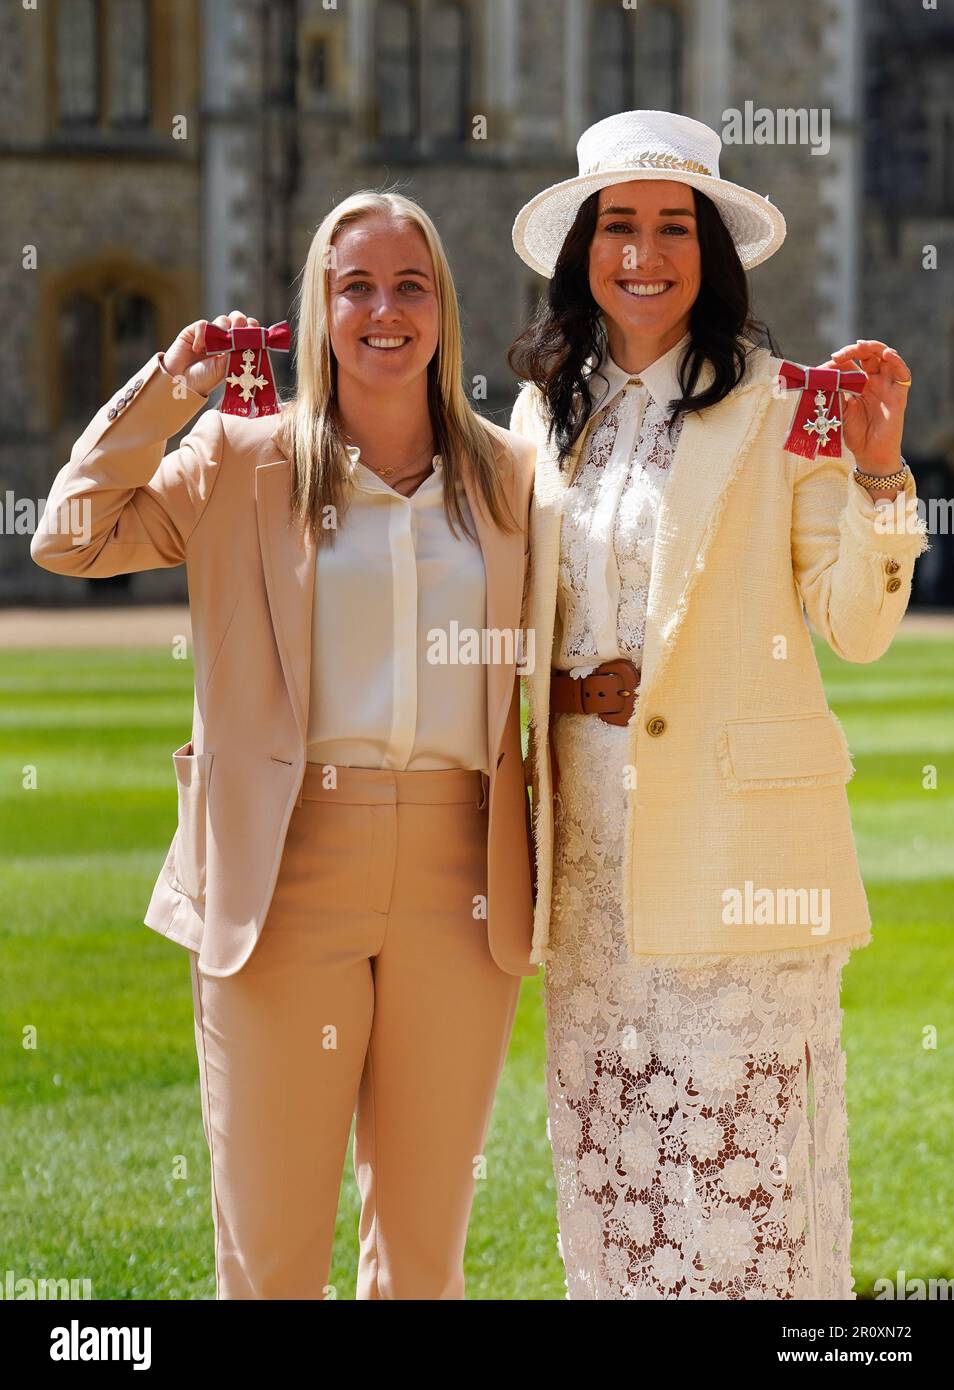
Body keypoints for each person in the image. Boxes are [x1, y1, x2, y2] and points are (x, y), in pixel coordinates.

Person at [31, 190, 538, 1300]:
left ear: (443, 310)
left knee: (421, 1261)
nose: (383, 310)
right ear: (317, 308)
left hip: (463, 877)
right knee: (271, 1258)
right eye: (354, 284)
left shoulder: (508, 477)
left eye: (410, 285)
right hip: (282, 868)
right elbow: (67, 534)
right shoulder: (236, 459)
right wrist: (173, 386)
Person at [508, 109, 929, 1299]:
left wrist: (879, 473)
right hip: (588, 870)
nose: (643, 252)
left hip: (738, 865)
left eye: (671, 226)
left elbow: (853, 623)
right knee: (620, 1209)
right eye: (619, 226)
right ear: (583, 246)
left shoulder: (779, 402)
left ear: (712, 248)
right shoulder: (543, 415)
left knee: (744, 1227)